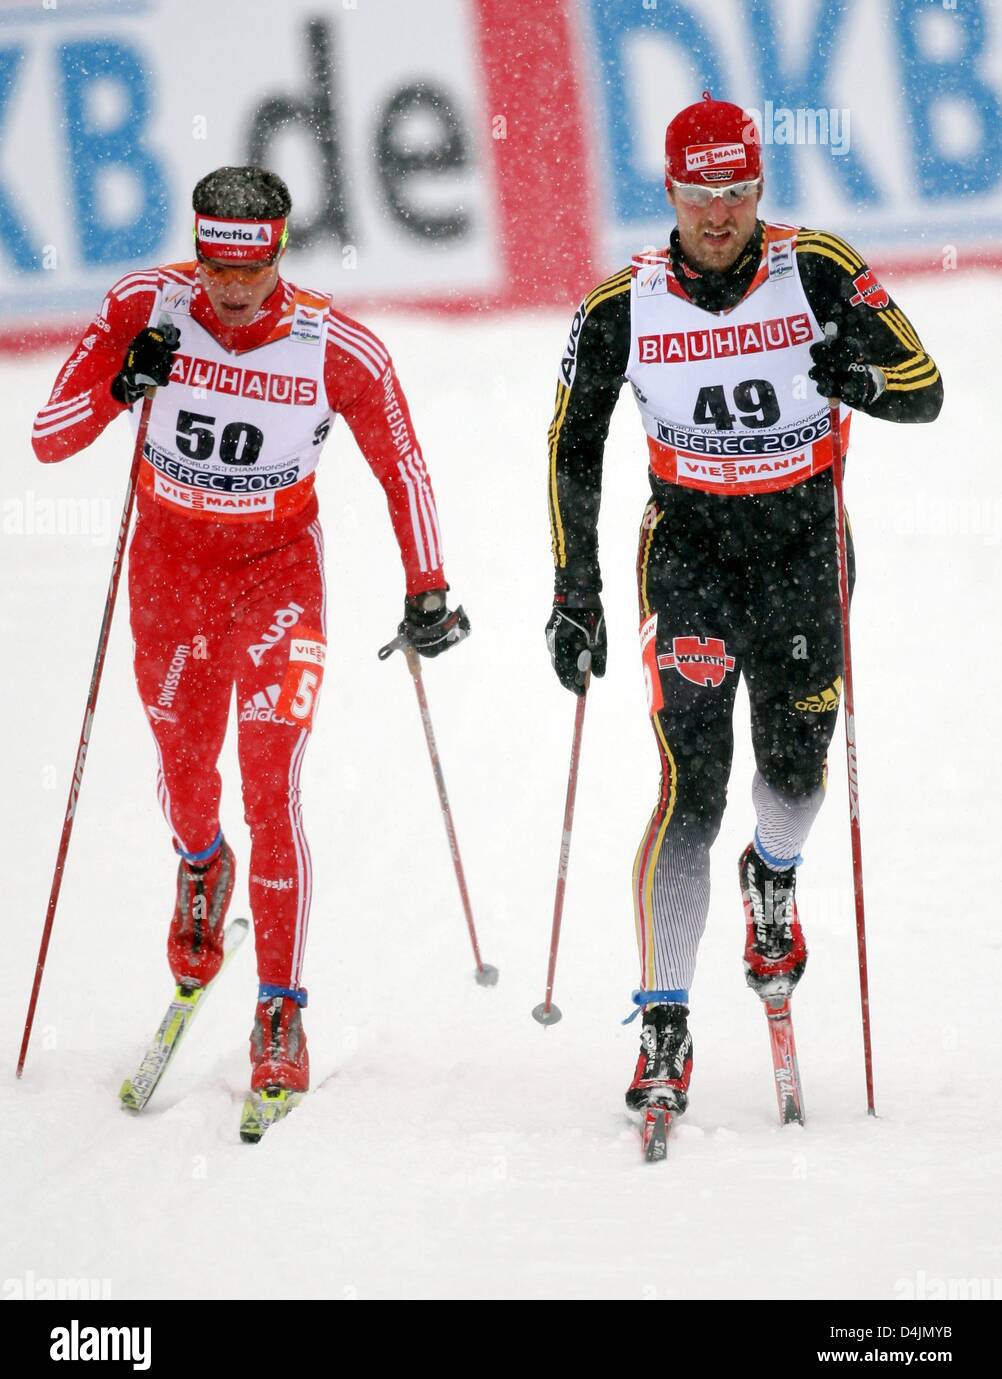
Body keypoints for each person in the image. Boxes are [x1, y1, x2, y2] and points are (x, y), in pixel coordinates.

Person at [33, 166, 467, 1122]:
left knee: (273, 783)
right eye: (214, 266)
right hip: (168, 575)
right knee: (187, 768)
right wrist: (120, 382)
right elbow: (47, 437)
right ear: (197, 250)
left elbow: (404, 465)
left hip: (277, 577)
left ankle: (280, 1008)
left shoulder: (332, 343)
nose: (229, 292)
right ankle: (201, 861)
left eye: (251, 268)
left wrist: (427, 585)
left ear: (279, 250)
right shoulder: (147, 304)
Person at [544, 94, 942, 1119]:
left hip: (807, 544)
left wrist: (860, 380)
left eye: (732, 193)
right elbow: (572, 448)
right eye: (695, 194)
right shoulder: (619, 306)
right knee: (693, 782)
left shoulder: (816, 268)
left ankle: (774, 873)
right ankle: (664, 1022)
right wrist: (574, 591)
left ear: (759, 189)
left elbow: (925, 385)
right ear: (667, 193)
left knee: (796, 778)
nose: (715, 215)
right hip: (690, 555)